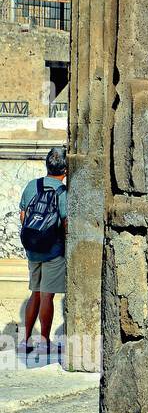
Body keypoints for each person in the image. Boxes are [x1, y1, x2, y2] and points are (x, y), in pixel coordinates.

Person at [19, 146, 68, 356]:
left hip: (33, 250)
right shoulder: (62, 192)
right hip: (52, 251)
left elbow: (23, 216)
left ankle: (25, 340)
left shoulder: (33, 185)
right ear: (66, 169)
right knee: (48, 296)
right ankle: (44, 342)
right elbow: (66, 224)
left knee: (35, 293)